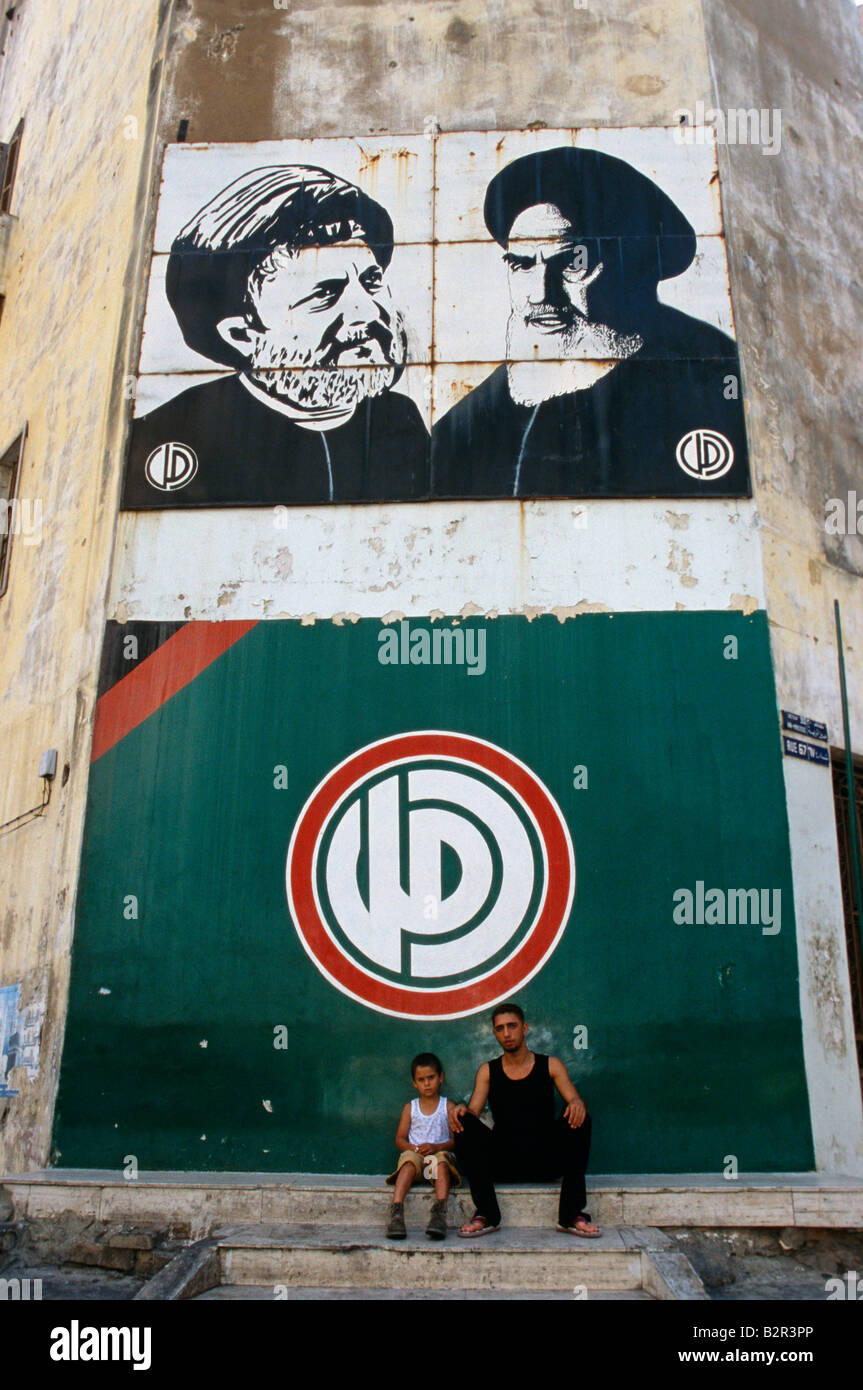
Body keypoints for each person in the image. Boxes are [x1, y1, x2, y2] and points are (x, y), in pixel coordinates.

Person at [431, 146, 750, 499]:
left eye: (572, 264)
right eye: (523, 265)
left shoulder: (712, 379)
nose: (541, 295)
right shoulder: (463, 432)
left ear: (630, 267)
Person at [123, 164, 429, 507]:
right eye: (325, 294)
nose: (369, 312)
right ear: (241, 334)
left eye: (371, 282)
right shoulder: (173, 434)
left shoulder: (399, 419)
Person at [447, 1002, 600, 1238]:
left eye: (512, 1026)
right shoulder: (488, 1071)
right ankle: (487, 1214)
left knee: (582, 1119)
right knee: (462, 1123)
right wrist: (460, 1111)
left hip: (545, 1158)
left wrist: (578, 1103)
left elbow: (574, 1100)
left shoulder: (551, 1065)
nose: (507, 1033)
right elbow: (473, 1114)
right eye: (500, 1028)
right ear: (495, 1033)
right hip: (502, 1160)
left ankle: (571, 1215)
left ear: (524, 1028)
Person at [386, 1052, 460, 1240]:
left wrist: (436, 1148)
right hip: (418, 1160)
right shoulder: (411, 1108)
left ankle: (439, 1213)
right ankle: (396, 1212)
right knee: (408, 1162)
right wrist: (413, 1149)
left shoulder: (448, 1107)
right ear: (414, 1083)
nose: (427, 1083)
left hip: (436, 1160)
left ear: (440, 1077)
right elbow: (400, 1139)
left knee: (442, 1162)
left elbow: (455, 1141)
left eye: (431, 1078)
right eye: (421, 1079)